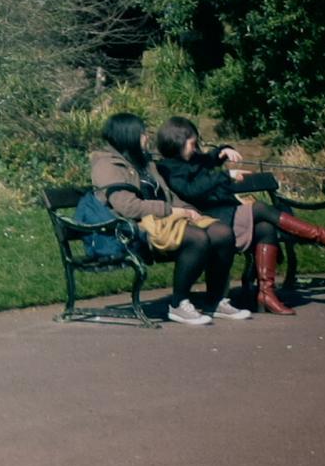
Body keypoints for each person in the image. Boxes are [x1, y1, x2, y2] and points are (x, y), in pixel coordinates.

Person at [151, 116, 325, 316]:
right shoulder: (168, 168)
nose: (195, 149)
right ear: (176, 143)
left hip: (224, 212)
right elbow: (191, 190)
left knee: (265, 229)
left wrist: (223, 151)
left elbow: (207, 159)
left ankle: (267, 295)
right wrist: (225, 176)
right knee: (259, 208)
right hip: (209, 220)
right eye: (191, 144)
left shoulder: (192, 159)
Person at [87, 112, 243, 325]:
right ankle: (178, 304)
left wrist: (188, 209)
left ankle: (215, 300)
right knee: (196, 238)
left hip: (162, 221)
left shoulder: (145, 163)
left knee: (222, 233)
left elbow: (169, 195)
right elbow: (128, 207)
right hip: (135, 229)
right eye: (143, 134)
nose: (147, 138)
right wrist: (170, 211)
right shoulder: (108, 165)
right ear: (128, 135)